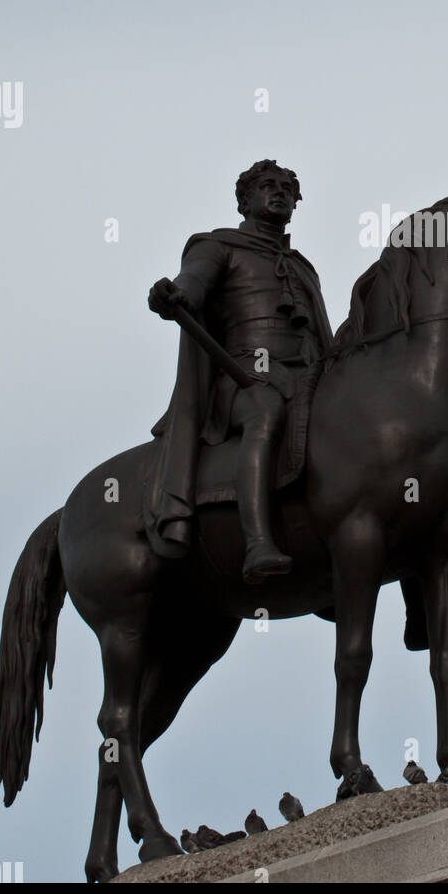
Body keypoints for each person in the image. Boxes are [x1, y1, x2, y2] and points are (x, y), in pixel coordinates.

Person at [148, 160, 332, 582]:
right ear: (244, 200)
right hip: (245, 375)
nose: (280, 192)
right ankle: (257, 544)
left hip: (308, 376)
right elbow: (191, 287)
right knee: (264, 412)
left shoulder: (303, 267)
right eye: (268, 185)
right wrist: (174, 294)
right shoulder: (218, 246)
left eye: (287, 188)